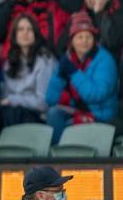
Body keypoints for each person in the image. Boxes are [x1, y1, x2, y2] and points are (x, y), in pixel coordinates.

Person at [45, 12, 119, 143]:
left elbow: (96, 95)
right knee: (53, 113)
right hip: (77, 110)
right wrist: (59, 77)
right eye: (79, 37)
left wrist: (74, 73)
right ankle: (55, 156)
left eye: (88, 37)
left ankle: (64, 156)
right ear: (72, 40)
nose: (84, 41)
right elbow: (51, 99)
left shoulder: (105, 59)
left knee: (68, 128)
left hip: (100, 115)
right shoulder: (68, 59)